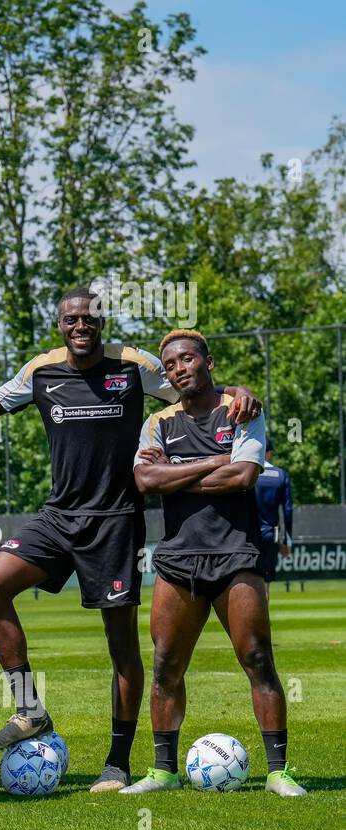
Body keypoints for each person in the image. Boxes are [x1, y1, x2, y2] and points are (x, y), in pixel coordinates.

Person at [0, 288, 260, 792]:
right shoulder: (42, 369)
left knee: (121, 647)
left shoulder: (133, 365)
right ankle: (28, 709)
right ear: (59, 324)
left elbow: (192, 387)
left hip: (116, 519)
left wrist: (238, 392)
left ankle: (117, 763)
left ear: (102, 322)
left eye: (89, 319)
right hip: (59, 515)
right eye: (71, 320)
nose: (80, 327)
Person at [123, 330, 304, 797]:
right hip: (178, 557)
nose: (180, 368)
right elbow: (146, 479)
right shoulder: (159, 421)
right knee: (166, 666)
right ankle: (163, 771)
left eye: (188, 359)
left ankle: (279, 773)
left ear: (208, 362)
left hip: (236, 555)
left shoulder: (242, 410)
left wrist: (177, 473)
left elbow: (243, 476)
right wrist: (210, 463)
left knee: (258, 659)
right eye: (171, 365)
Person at [254, 438, 293, 583]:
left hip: (247, 535)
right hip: (271, 535)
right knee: (265, 581)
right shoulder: (280, 475)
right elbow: (288, 510)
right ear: (269, 453)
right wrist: (286, 540)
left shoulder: (247, 474)